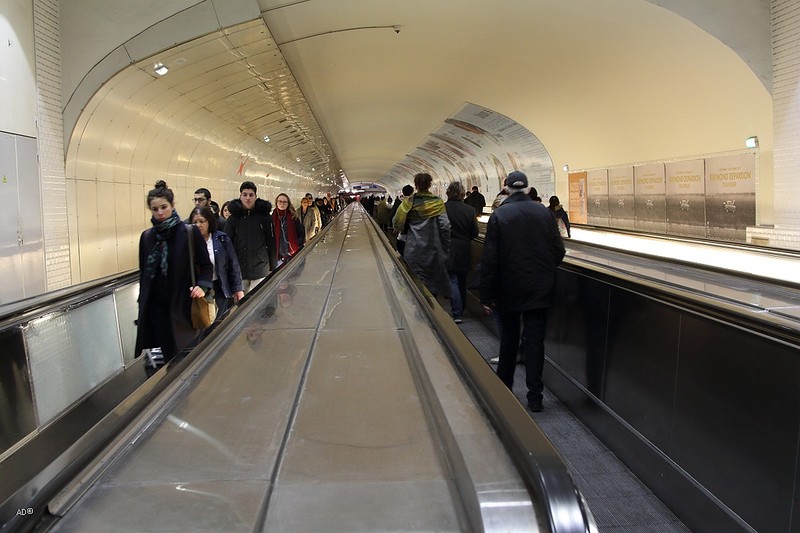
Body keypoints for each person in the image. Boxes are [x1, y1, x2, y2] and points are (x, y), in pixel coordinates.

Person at [480, 171, 565, 412]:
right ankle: (535, 396)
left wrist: (487, 295)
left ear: (505, 188)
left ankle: (504, 392)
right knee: (535, 342)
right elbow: (559, 250)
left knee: (509, 340)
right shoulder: (545, 213)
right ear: (527, 189)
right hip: (540, 288)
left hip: (509, 288)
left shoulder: (500, 215)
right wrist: (544, 272)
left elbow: (490, 259)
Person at [135, 180, 213, 366]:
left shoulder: (188, 233)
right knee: (170, 357)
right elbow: (144, 273)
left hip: (184, 307)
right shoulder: (147, 237)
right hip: (157, 310)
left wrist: (202, 286)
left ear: (172, 205)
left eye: (164, 207)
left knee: (188, 355)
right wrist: (142, 303)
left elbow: (206, 266)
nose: (160, 213)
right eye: (155, 209)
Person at [392, 173, 451, 297]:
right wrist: (445, 247)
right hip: (433, 250)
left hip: (413, 250)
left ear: (416, 185)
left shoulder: (407, 203)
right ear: (429, 185)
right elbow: (445, 226)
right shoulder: (438, 202)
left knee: (414, 285)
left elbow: (397, 222)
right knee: (432, 284)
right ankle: (432, 309)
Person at [190, 206, 245, 317]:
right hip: (200, 289)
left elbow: (233, 264)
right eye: (194, 222)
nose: (198, 225)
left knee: (221, 320)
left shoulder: (222, 239)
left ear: (209, 221)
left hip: (220, 286)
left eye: (202, 221)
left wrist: (238, 288)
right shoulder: (188, 242)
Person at [224, 181, 275, 293]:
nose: (248, 198)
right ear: (240, 196)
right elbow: (227, 244)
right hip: (239, 270)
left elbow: (271, 242)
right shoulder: (233, 219)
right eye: (245, 194)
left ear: (256, 197)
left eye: (251, 195)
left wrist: (273, 267)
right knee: (241, 305)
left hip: (260, 268)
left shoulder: (264, 218)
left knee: (259, 302)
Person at [445, 181, 479, 324]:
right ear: (463, 193)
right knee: (462, 280)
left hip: (448, 248)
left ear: (448, 192)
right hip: (464, 249)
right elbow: (475, 232)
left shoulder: (442, 208)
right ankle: (462, 308)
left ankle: (457, 313)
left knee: (452, 280)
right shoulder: (470, 210)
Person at [272, 193, 305, 267]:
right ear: (276, 203)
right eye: (280, 201)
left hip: (292, 254)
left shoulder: (293, 217)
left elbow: (301, 234)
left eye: (284, 202)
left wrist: (296, 246)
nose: (282, 204)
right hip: (278, 256)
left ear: (288, 204)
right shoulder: (272, 218)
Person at [393, 184, 414, 255]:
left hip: (402, 235)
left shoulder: (399, 202)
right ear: (412, 192)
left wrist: (395, 228)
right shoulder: (414, 203)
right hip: (413, 236)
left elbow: (395, 218)